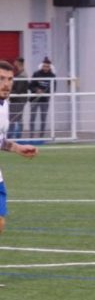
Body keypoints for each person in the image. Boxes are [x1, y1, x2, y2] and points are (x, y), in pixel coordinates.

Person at [0, 60, 40, 251]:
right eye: (1, 79)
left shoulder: (4, 104)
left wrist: (17, 148)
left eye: (10, 79)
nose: (6, 83)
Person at [28, 56, 56, 136]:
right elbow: (30, 86)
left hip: (45, 100)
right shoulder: (36, 74)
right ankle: (31, 136)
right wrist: (36, 90)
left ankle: (41, 136)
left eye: (47, 66)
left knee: (43, 119)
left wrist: (45, 92)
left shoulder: (52, 76)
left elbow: (53, 88)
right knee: (32, 118)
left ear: (50, 67)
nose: (45, 68)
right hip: (35, 99)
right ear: (42, 66)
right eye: (44, 66)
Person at [8, 57, 28, 139]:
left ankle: (15, 136)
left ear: (18, 62)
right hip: (16, 100)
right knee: (13, 118)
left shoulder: (23, 75)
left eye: (15, 61)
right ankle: (12, 136)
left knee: (16, 119)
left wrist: (8, 93)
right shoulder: (19, 73)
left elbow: (19, 90)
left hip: (19, 100)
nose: (14, 63)